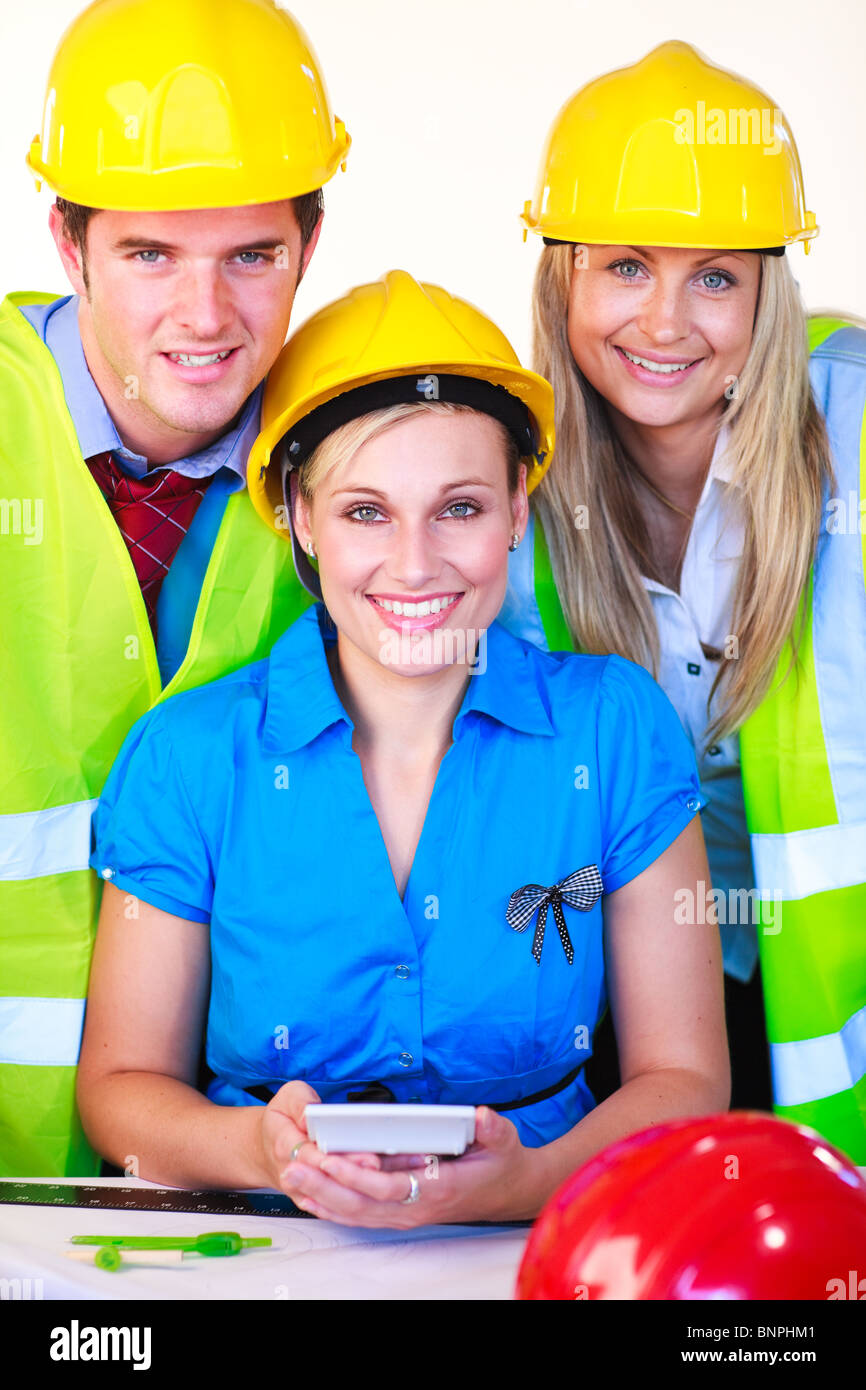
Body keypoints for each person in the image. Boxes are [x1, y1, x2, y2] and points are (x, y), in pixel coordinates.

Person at [76, 271, 729, 1227]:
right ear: (300, 518)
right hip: (261, 1251)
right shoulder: (190, 756)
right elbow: (122, 1089)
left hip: (540, 1243)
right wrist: (260, 1150)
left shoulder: (614, 729)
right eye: (366, 512)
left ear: (518, 507)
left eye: (459, 508)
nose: (415, 564)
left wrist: (525, 1182)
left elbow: (685, 1077)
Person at [0, 0, 350, 1178]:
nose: (205, 318)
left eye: (251, 256)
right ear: (66, 241)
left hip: (242, 1172)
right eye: (151, 254)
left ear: (309, 243)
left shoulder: (360, 456)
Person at [503, 39, 866, 1161]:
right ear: (560, 271)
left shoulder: (851, 430)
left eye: (714, 276)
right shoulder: (497, 481)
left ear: (766, 291)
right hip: (629, 1014)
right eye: (624, 266)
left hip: (836, 1001)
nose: (663, 323)